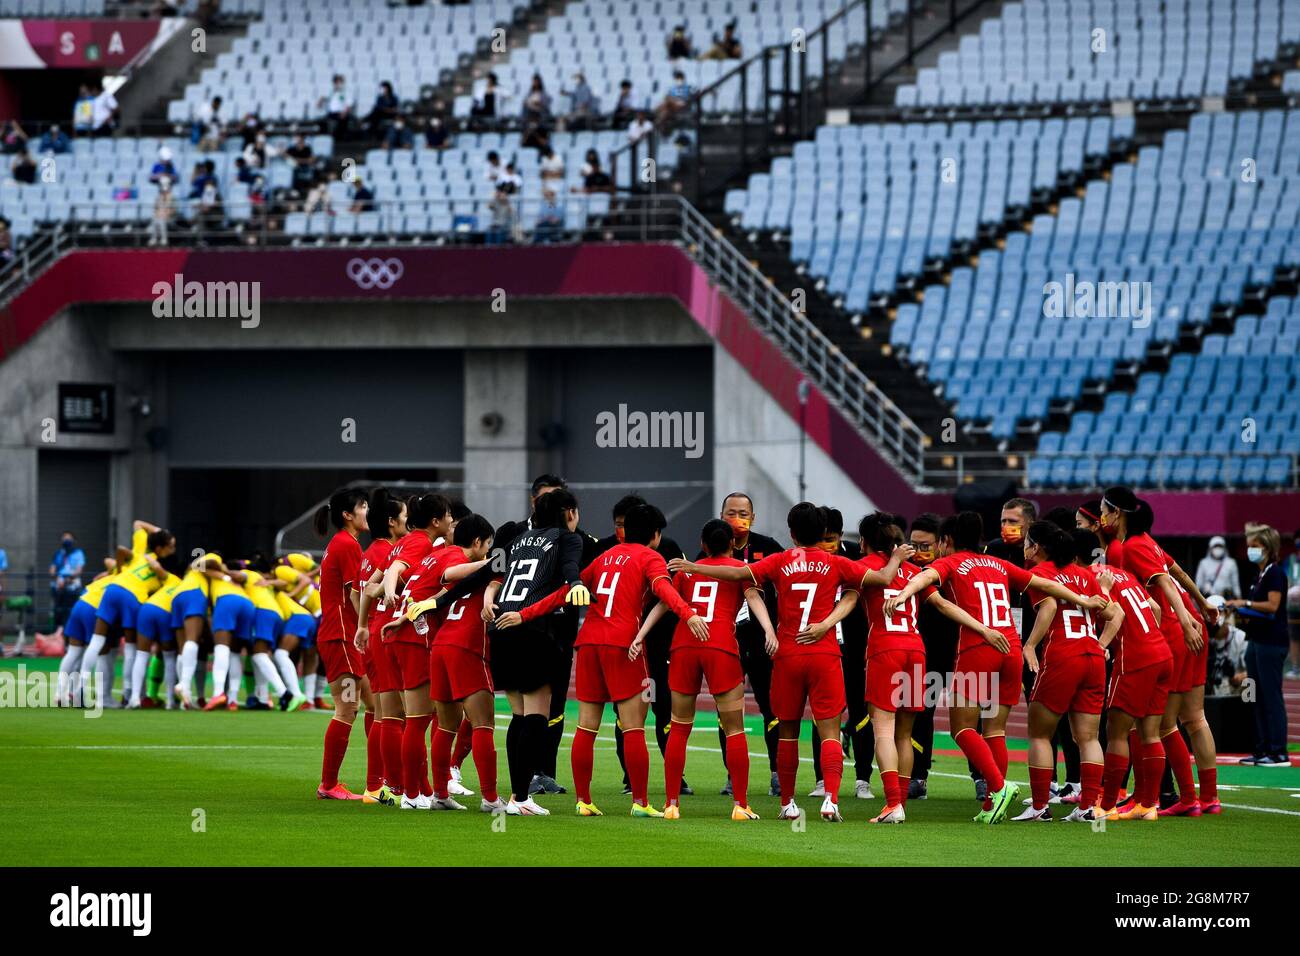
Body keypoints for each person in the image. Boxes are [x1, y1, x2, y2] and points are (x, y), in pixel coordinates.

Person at [672, 502, 902, 822]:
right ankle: (831, 800)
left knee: (788, 732)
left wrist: (696, 568)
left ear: (792, 534)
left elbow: (738, 573)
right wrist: (897, 556)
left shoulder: (780, 560)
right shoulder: (836, 563)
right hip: (824, 653)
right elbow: (883, 578)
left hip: (788, 654)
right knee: (830, 731)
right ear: (822, 533)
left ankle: (788, 803)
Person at [884, 511, 1106, 824]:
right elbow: (1047, 585)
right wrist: (1085, 602)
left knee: (961, 728)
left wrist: (905, 593)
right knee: (995, 729)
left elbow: (923, 579)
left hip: (980, 648)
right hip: (1011, 649)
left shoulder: (950, 562)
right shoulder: (999, 563)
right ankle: (991, 804)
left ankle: (999, 787)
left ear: (947, 541)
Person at [537, 503, 704, 818]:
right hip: (623, 645)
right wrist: (689, 613)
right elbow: (663, 589)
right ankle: (640, 803)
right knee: (633, 727)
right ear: (655, 535)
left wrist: (524, 612)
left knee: (586, 726)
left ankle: (583, 801)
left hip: (588, 643)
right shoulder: (651, 557)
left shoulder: (604, 556)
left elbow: (564, 593)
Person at [635, 518, 775, 820]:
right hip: (720, 646)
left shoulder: (689, 570)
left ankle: (671, 803)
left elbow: (663, 603)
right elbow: (753, 598)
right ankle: (740, 805)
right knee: (735, 728)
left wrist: (640, 635)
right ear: (733, 544)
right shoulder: (739, 570)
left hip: (684, 646)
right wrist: (770, 631)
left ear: (702, 544)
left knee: (679, 725)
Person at [1100, 487, 1220, 816]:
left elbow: (1165, 583)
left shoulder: (1131, 547)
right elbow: (1177, 572)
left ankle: (1178, 798)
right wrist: (1202, 605)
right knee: (1194, 717)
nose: (1101, 517)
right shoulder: (1149, 542)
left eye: (1103, 510)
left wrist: (1183, 621)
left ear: (1117, 513)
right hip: (1190, 626)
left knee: (1158, 725)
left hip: (1171, 632)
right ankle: (1208, 798)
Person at [480, 488, 591, 815]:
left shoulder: (519, 538)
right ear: (569, 512)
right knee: (537, 717)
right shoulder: (567, 538)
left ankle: (516, 797)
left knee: (519, 716)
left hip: (501, 630)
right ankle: (521, 798)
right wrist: (577, 585)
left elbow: (492, 575)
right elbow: (571, 569)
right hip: (532, 631)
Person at [1015, 525, 1124, 822]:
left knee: (1039, 733)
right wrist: (1101, 645)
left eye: (1027, 541)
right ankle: (1088, 807)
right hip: (1092, 657)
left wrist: (1030, 646)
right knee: (1088, 738)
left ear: (1037, 547)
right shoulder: (1086, 574)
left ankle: (1039, 807)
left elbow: (1049, 606)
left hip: (1063, 654)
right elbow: (1116, 614)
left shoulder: (1040, 574)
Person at [378, 493, 454, 809]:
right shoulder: (421, 544)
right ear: (436, 521)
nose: (451, 520)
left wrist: (368, 618)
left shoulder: (409, 545)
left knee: (394, 716)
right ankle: (409, 792)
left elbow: (370, 584)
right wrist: (394, 593)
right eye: (448, 515)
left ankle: (410, 788)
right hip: (410, 634)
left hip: (389, 631)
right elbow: (391, 572)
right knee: (416, 718)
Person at [313, 488, 372, 800]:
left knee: (376, 704)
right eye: (363, 507)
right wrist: (366, 624)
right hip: (342, 637)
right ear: (348, 515)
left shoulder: (342, 543)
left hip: (344, 636)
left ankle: (379, 779)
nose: (368, 511)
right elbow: (353, 593)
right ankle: (328, 784)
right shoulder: (347, 544)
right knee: (348, 707)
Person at [1228, 525, 1290, 766]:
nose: (1250, 550)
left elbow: (1272, 606)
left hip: (1271, 643)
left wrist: (1245, 603)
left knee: (1270, 696)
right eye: (1250, 546)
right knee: (1254, 695)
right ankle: (1262, 747)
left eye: (1255, 546)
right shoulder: (1260, 576)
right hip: (1256, 641)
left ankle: (1278, 751)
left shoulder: (1275, 573)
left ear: (1267, 548)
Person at [1205, 596, 1249, 698]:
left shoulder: (1240, 637)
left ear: (1227, 613)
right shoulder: (1202, 637)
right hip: (1206, 695)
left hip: (1234, 695)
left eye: (1217, 612)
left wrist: (1239, 677)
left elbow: (1251, 672)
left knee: (1251, 685)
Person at [49, 532, 87, 634]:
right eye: (64, 538)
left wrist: (67, 580)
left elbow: (79, 570)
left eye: (69, 538)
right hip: (58, 587)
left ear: (74, 541)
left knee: (70, 611)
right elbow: (52, 570)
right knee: (58, 612)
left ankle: (69, 635)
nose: (66, 540)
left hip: (72, 587)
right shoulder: (58, 554)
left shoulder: (78, 553)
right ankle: (57, 635)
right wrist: (58, 578)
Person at [148, 176, 175, 247]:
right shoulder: (158, 197)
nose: (164, 192)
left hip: (169, 218)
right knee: (155, 219)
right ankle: (153, 239)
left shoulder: (172, 198)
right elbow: (155, 209)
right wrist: (158, 214)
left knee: (161, 220)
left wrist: (165, 214)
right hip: (160, 216)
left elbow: (172, 211)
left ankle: (164, 239)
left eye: (165, 191)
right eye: (163, 191)